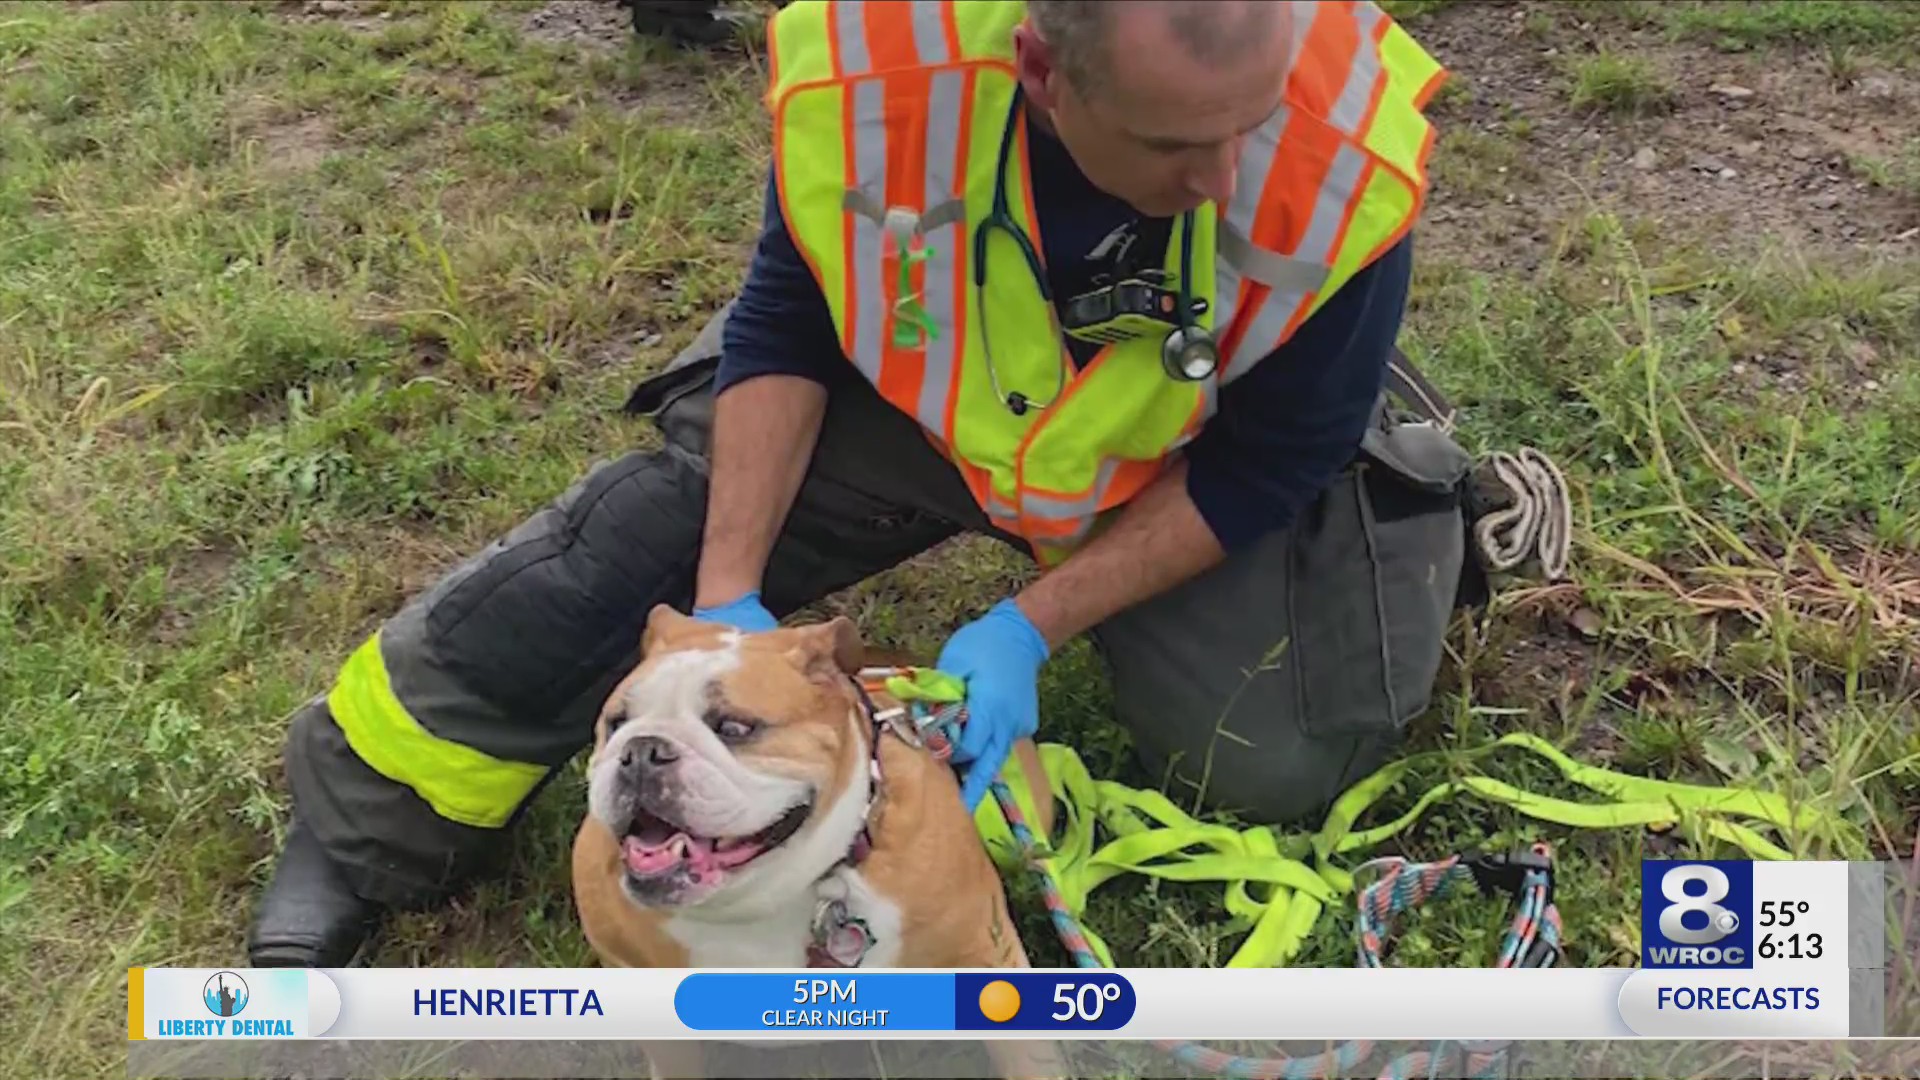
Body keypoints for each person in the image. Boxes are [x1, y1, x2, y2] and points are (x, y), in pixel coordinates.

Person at [246, 0, 1526, 968]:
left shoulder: (1349, 151)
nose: (1225, 177)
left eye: (1253, 127)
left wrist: (1033, 624)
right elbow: (788, 326)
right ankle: (363, 826)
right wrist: (728, 595)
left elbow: (1274, 458)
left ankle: (1430, 519)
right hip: (914, 398)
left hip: (1184, 447)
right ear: (1039, 67)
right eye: (1178, 141)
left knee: (1280, 761)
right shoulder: (881, 78)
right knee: (623, 559)